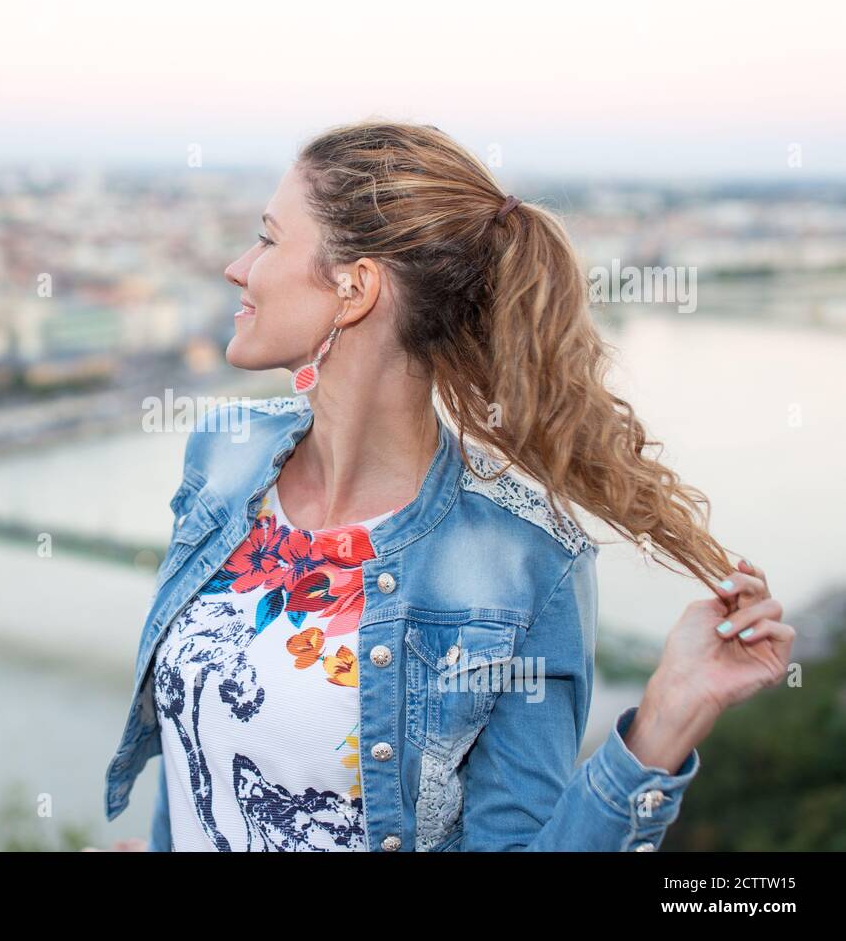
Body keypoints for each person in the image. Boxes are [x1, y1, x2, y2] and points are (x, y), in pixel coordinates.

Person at [92, 120, 793, 852]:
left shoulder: (526, 562)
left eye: (268, 239)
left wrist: (665, 721)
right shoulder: (224, 453)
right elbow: (197, 761)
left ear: (355, 287)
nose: (240, 267)